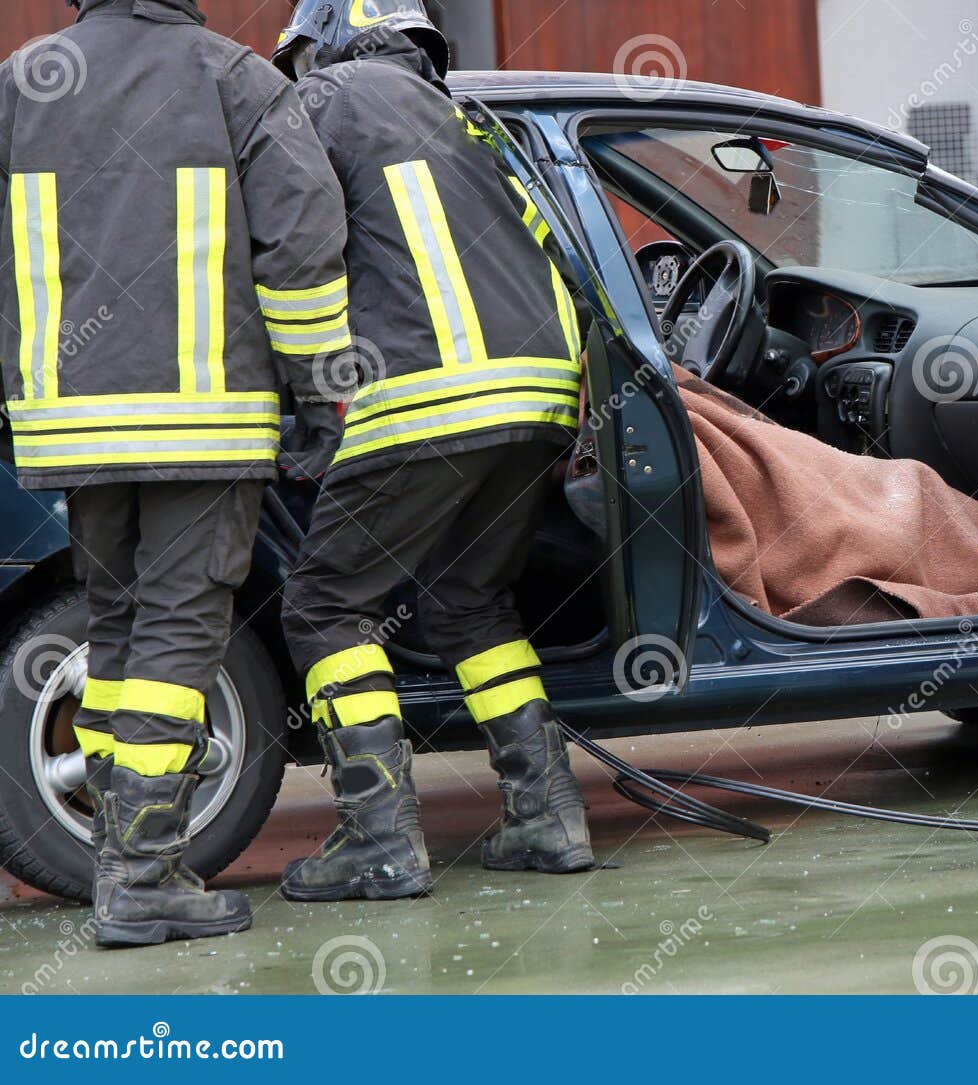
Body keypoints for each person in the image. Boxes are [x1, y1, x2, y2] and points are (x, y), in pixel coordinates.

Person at [0, 0, 350, 945]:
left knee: (117, 618)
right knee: (182, 619)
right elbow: (303, 246)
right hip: (205, 419)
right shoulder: (233, 80)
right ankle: (143, 873)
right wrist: (319, 392)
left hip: (71, 425)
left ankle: (125, 850)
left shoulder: (21, 87)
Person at [272, 0, 594, 902]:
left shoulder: (323, 99)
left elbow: (289, 246)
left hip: (423, 395)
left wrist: (299, 387)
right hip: (535, 392)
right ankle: (547, 816)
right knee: (466, 602)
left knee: (327, 607)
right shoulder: (465, 113)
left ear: (323, 41)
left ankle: (379, 841)